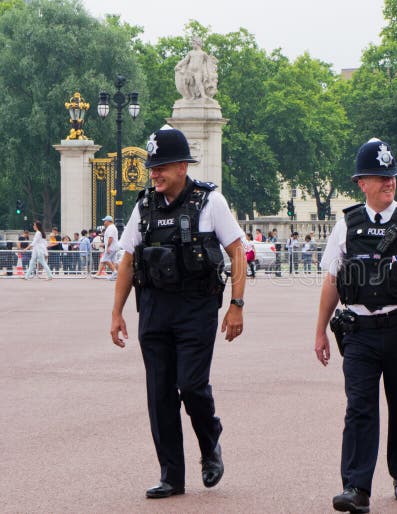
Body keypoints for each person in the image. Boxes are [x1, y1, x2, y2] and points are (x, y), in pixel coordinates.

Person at [314, 138, 397, 513]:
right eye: (380, 177)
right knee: (359, 407)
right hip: (359, 331)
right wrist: (320, 330)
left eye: (392, 176)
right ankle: (355, 488)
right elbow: (331, 280)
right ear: (362, 182)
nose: (389, 182)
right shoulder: (348, 224)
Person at [110, 126, 246, 499]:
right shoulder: (144, 206)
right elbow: (127, 261)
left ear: (183, 166)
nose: (154, 173)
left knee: (192, 386)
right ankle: (172, 475)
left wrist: (236, 305)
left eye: (162, 167)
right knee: (160, 394)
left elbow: (237, 251)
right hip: (153, 308)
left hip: (196, 307)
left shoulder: (209, 202)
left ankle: (210, 442)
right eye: (153, 166)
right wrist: (117, 312)